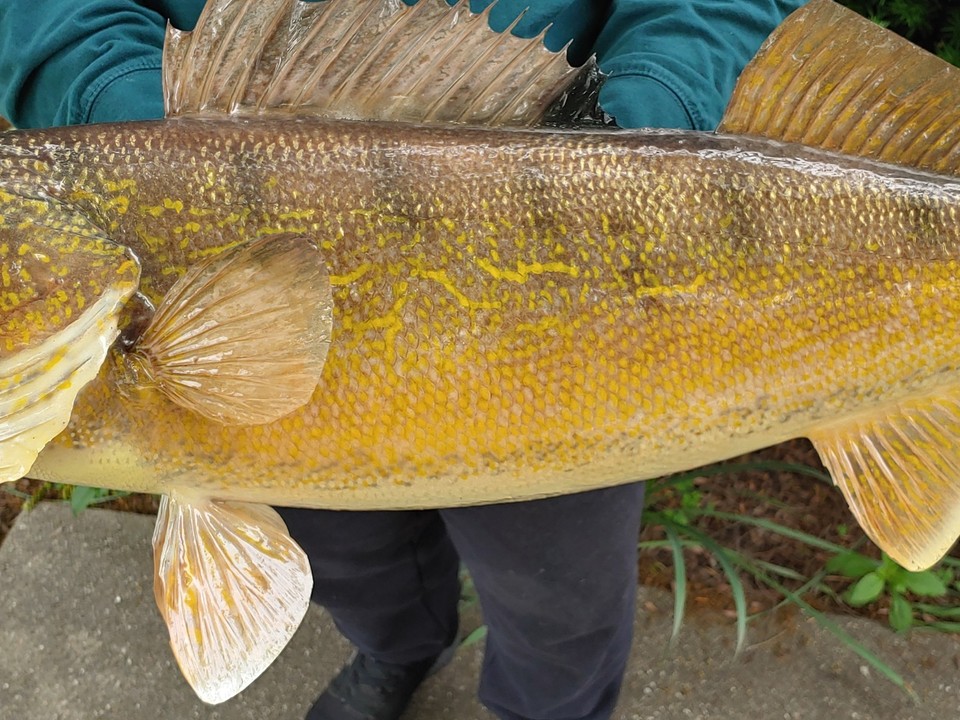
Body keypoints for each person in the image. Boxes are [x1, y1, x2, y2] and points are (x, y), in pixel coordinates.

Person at [0, 1, 805, 718]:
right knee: (350, 557)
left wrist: (646, 115)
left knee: (563, 593)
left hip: (571, 276)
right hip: (184, 194)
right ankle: (400, 652)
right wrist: (120, 115)